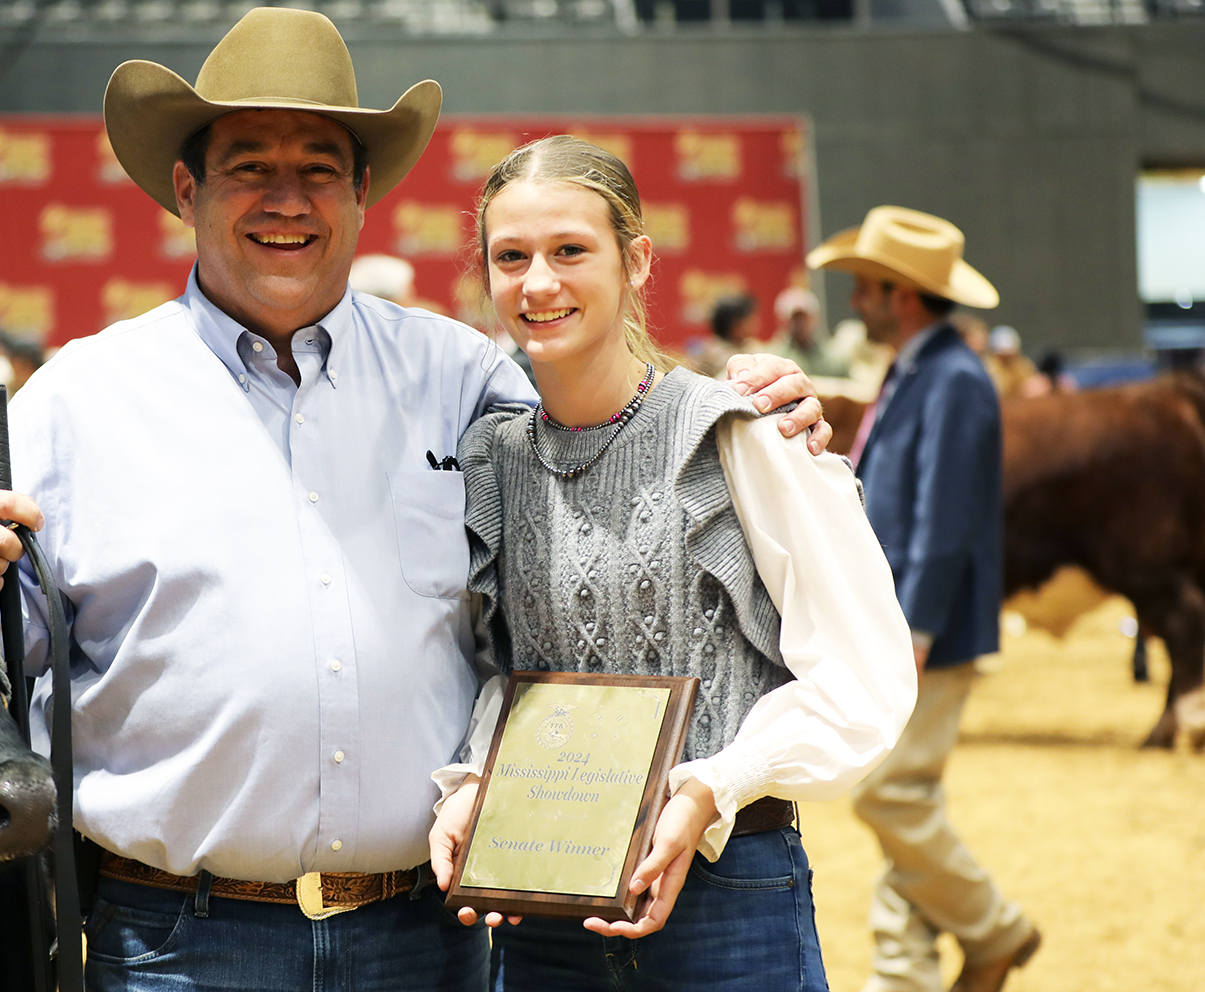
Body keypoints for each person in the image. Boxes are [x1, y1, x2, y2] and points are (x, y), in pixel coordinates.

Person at [0, 10, 830, 991]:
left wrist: (745, 409)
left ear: (361, 190)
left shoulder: (463, 379)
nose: (287, 200)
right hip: (181, 946)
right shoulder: (73, 405)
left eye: (319, 168)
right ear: (187, 189)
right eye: (250, 166)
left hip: (426, 935)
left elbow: (620, 443)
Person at [426, 135, 915, 992]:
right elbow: (506, 671)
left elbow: (862, 675)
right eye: (511, 258)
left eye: (570, 251)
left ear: (637, 261)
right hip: (545, 907)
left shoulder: (739, 432)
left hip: (727, 901)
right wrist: (475, 782)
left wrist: (709, 790)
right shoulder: (491, 457)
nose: (537, 283)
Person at [809, 205, 1041, 992]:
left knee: (890, 794)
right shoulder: (922, 370)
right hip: (908, 621)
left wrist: (914, 628)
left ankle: (996, 928)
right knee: (907, 799)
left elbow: (945, 519)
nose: (855, 301)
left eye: (865, 287)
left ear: (901, 295)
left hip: (924, 628)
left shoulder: (953, 378)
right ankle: (901, 972)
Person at [773, 286, 849, 378]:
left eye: (804, 318)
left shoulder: (834, 359)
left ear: (815, 319)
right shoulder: (775, 358)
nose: (800, 324)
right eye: (796, 318)